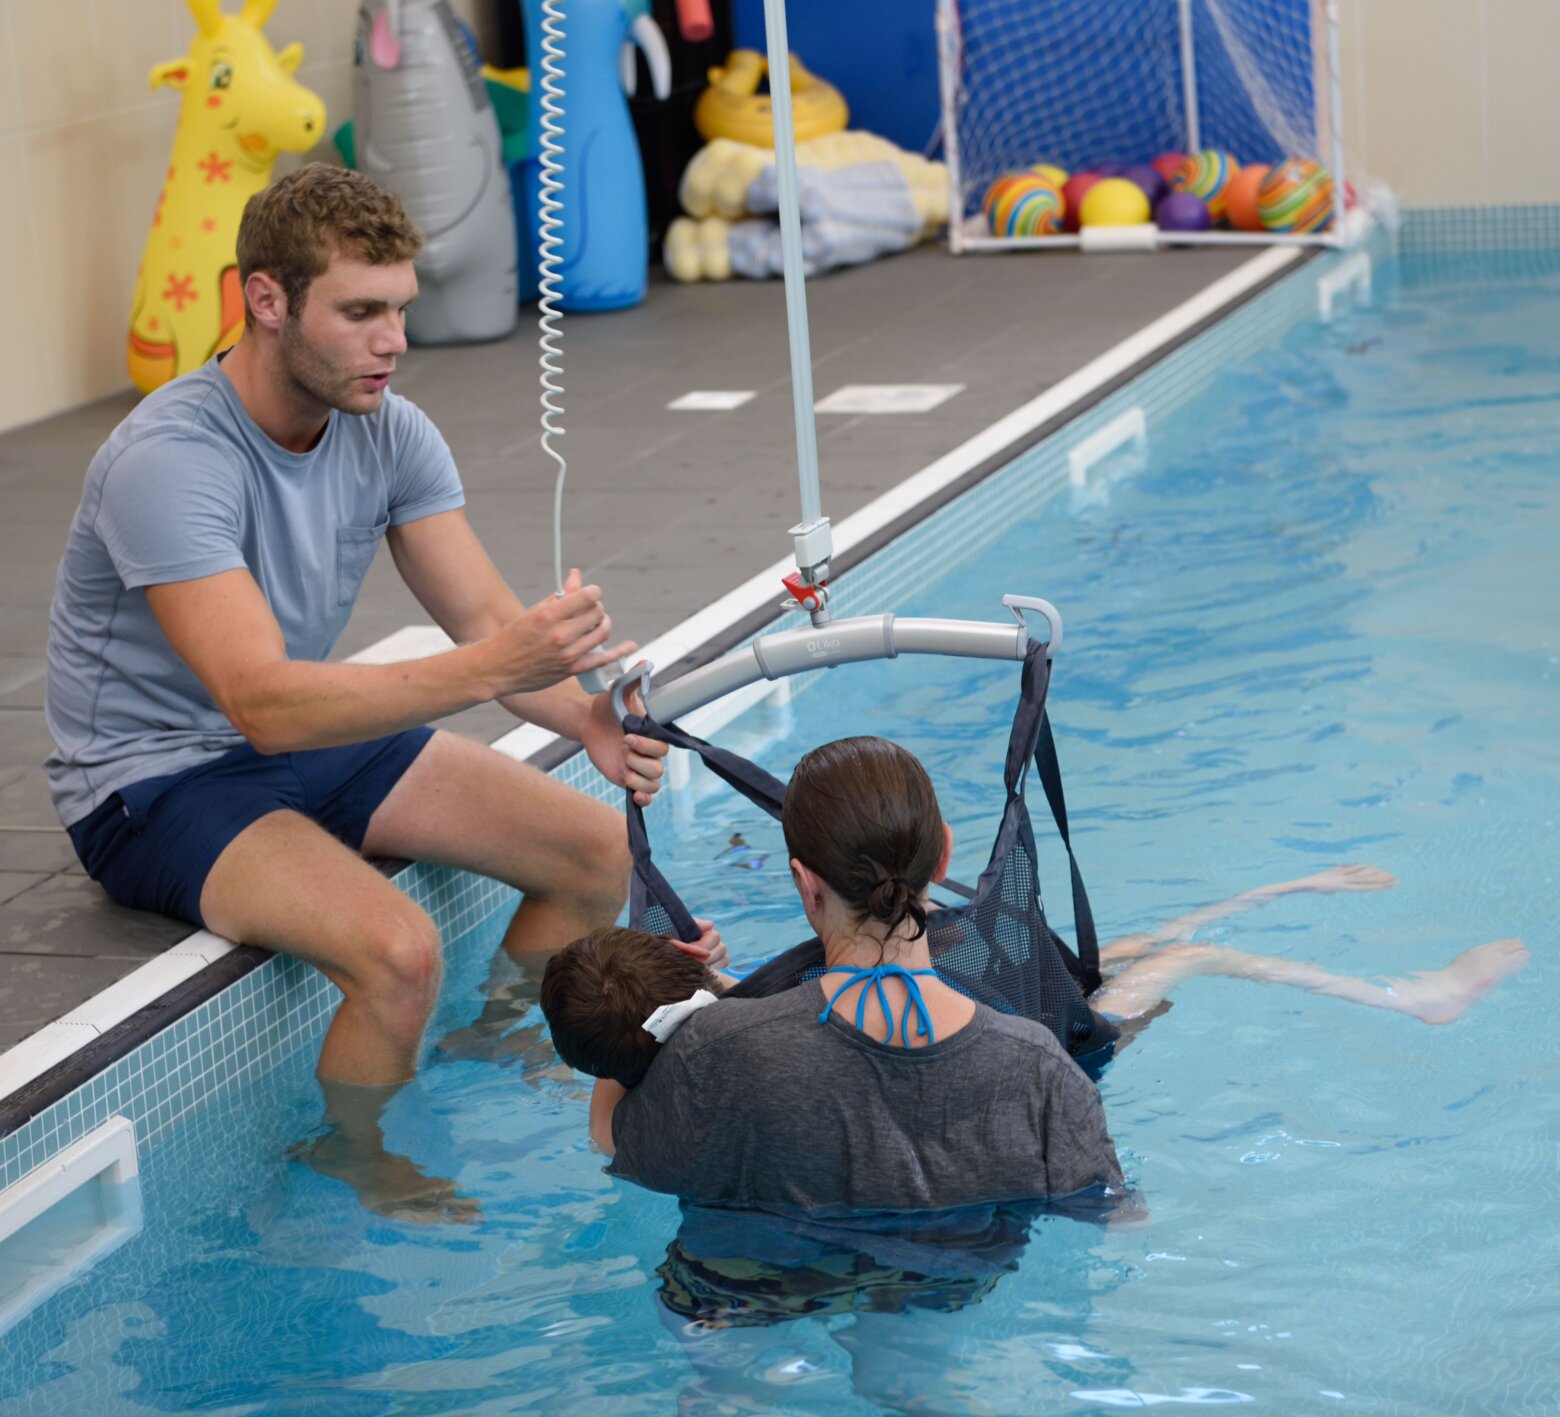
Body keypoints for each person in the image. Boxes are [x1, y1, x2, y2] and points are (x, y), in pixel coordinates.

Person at [44, 164, 670, 1222]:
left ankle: (492, 1036)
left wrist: (584, 717)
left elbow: (483, 618)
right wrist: (495, 667)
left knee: (595, 852)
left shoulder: (388, 428)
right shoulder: (170, 458)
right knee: (397, 953)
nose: (394, 341)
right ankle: (349, 1153)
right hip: (152, 779)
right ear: (267, 299)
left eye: (400, 310)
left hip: (301, 737)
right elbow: (259, 701)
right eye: (361, 312)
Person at [581, 736, 1129, 1212]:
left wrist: (665, 993)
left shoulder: (714, 1049)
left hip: (759, 1288)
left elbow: (609, 1134)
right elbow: (1112, 1214)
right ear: (942, 856)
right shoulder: (1039, 1067)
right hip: (962, 1287)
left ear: (805, 883)